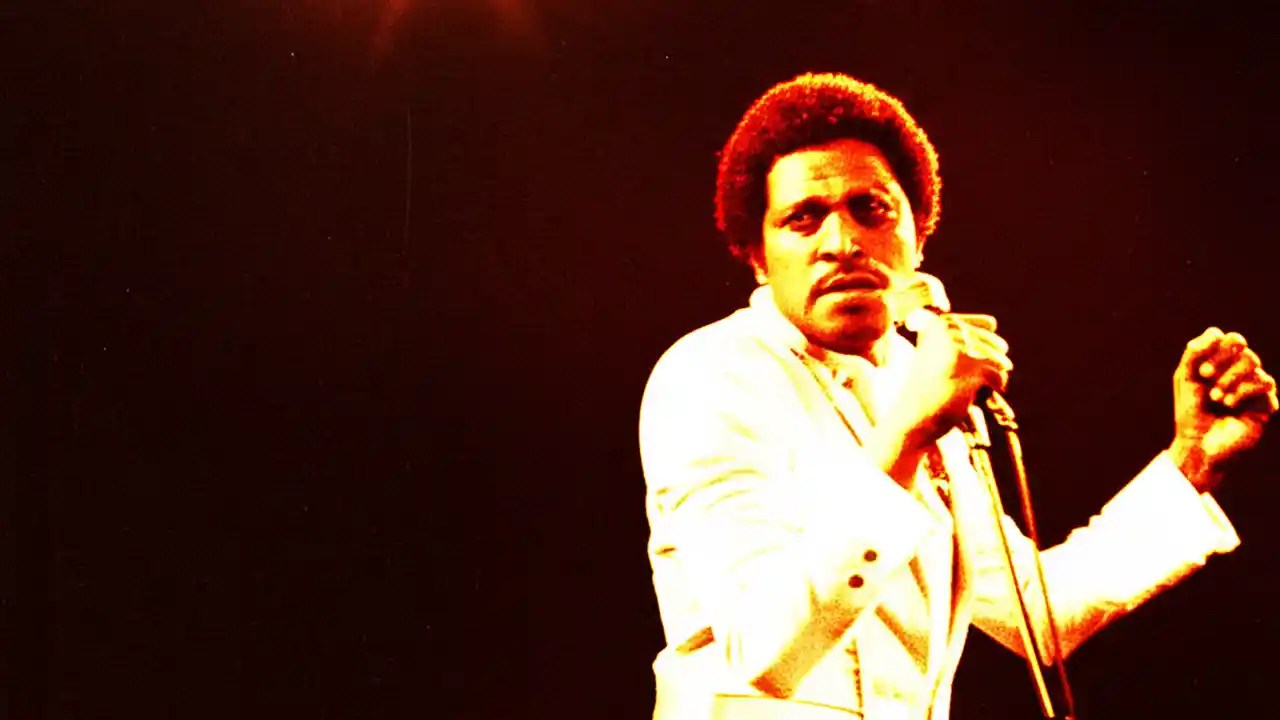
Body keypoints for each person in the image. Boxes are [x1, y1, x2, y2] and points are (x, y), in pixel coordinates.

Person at [638, 72, 1277, 720]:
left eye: (871, 209)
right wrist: (906, 435)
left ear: (918, 236)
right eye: (803, 218)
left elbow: (1040, 613)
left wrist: (1193, 462)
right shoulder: (711, 375)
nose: (842, 242)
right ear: (757, 254)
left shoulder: (912, 379)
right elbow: (761, 650)